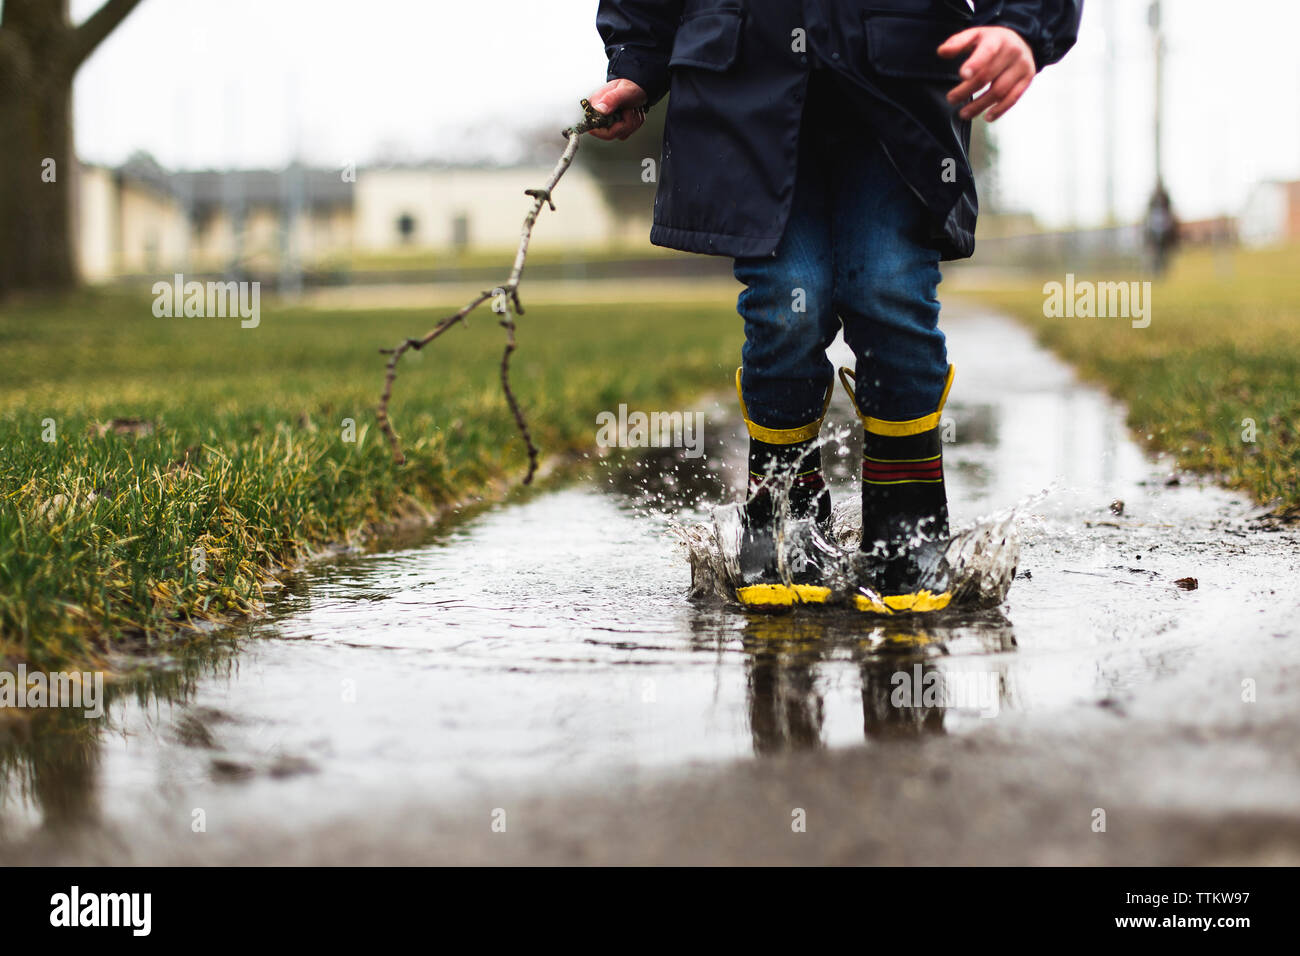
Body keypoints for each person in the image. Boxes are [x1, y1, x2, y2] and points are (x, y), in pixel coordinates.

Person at [588, 1, 1082, 611]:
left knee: (888, 290)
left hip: (897, 75)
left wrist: (1024, 26)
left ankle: (908, 527)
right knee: (786, 306)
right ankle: (787, 512)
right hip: (745, 85)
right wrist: (637, 58)